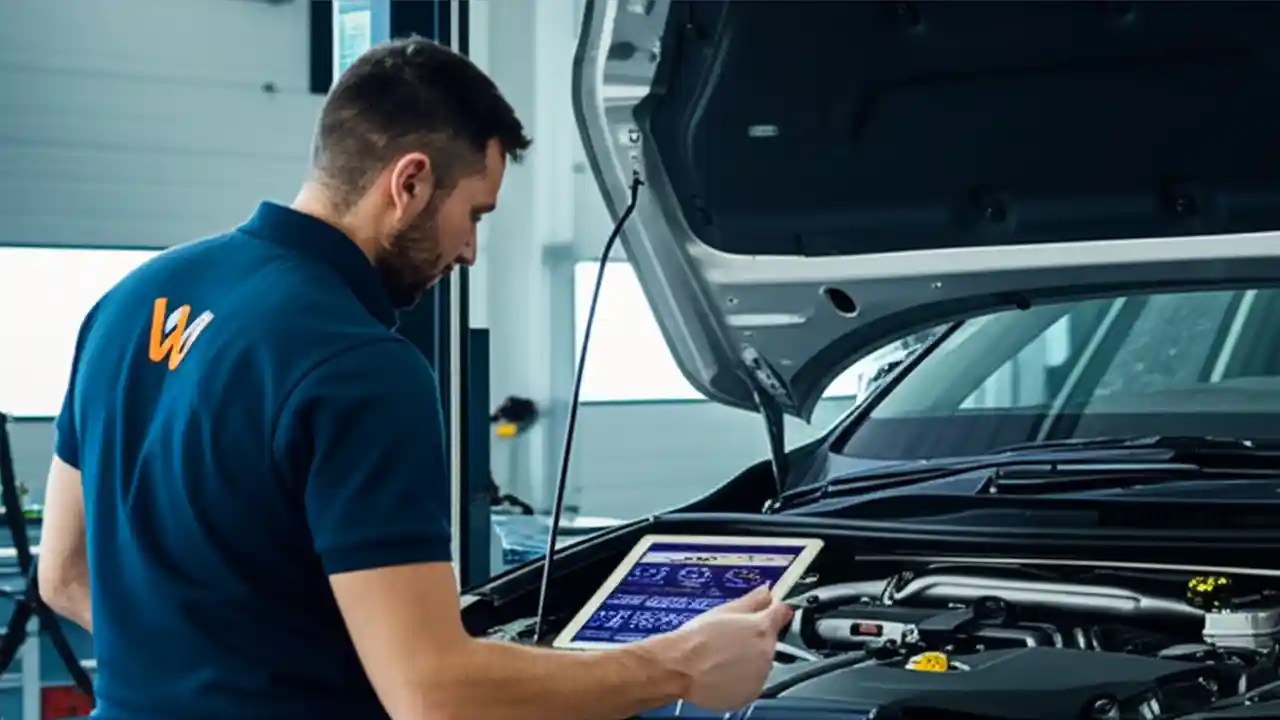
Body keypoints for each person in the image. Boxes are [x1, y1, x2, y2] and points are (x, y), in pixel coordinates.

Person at [36, 37, 793, 720]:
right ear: (410, 181)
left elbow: (65, 574)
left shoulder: (134, 300)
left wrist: (219, 669)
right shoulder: (357, 363)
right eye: (476, 214)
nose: (467, 251)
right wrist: (678, 665)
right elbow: (434, 693)